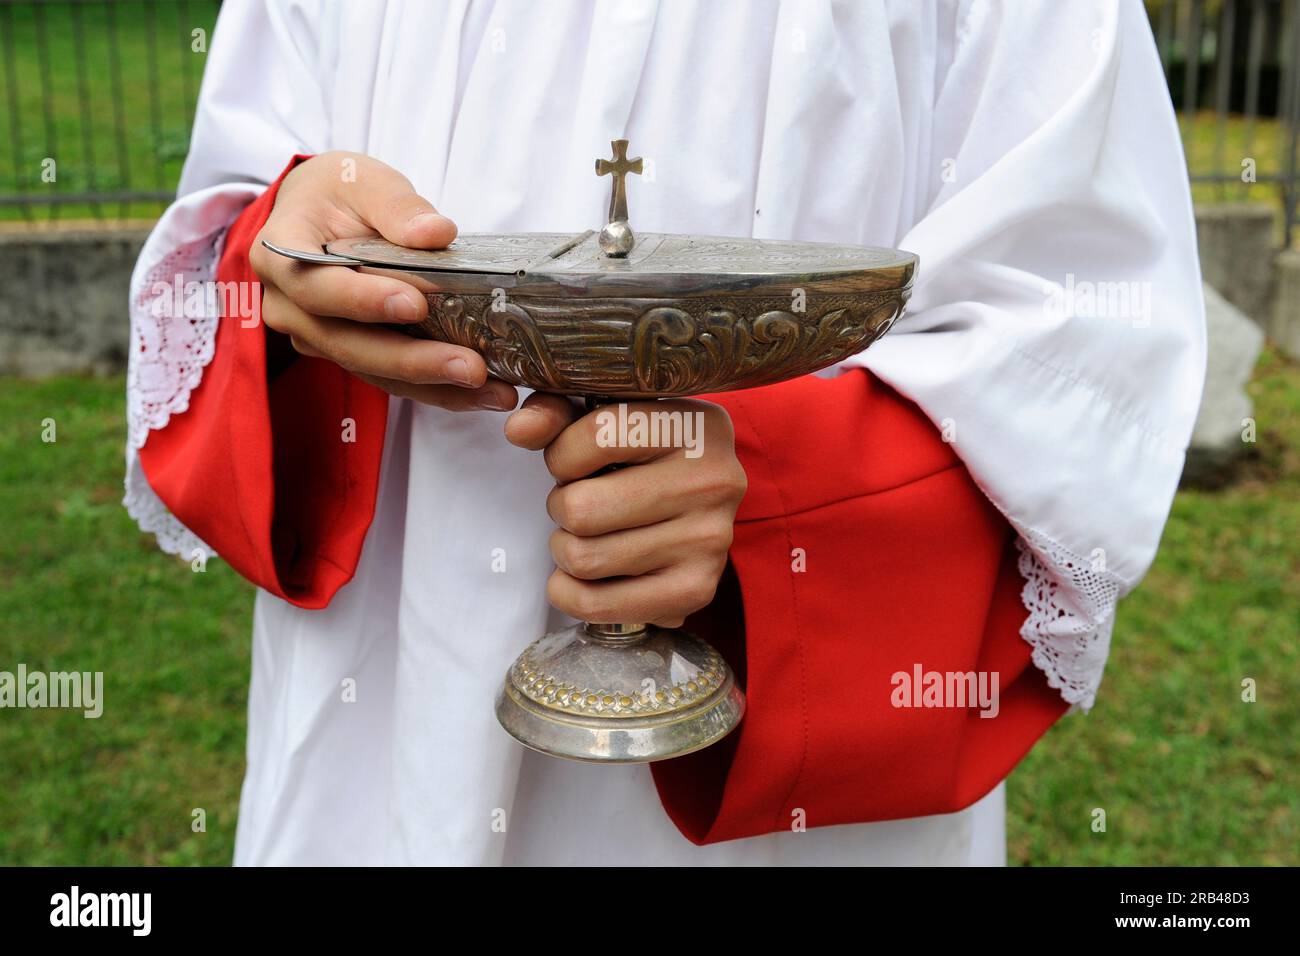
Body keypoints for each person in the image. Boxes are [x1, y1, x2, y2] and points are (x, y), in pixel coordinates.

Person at [125, 0, 1205, 865]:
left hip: (770, 771)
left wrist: (788, 501)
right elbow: (241, 193)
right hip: (391, 691)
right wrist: (286, 258)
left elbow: (1076, 322)